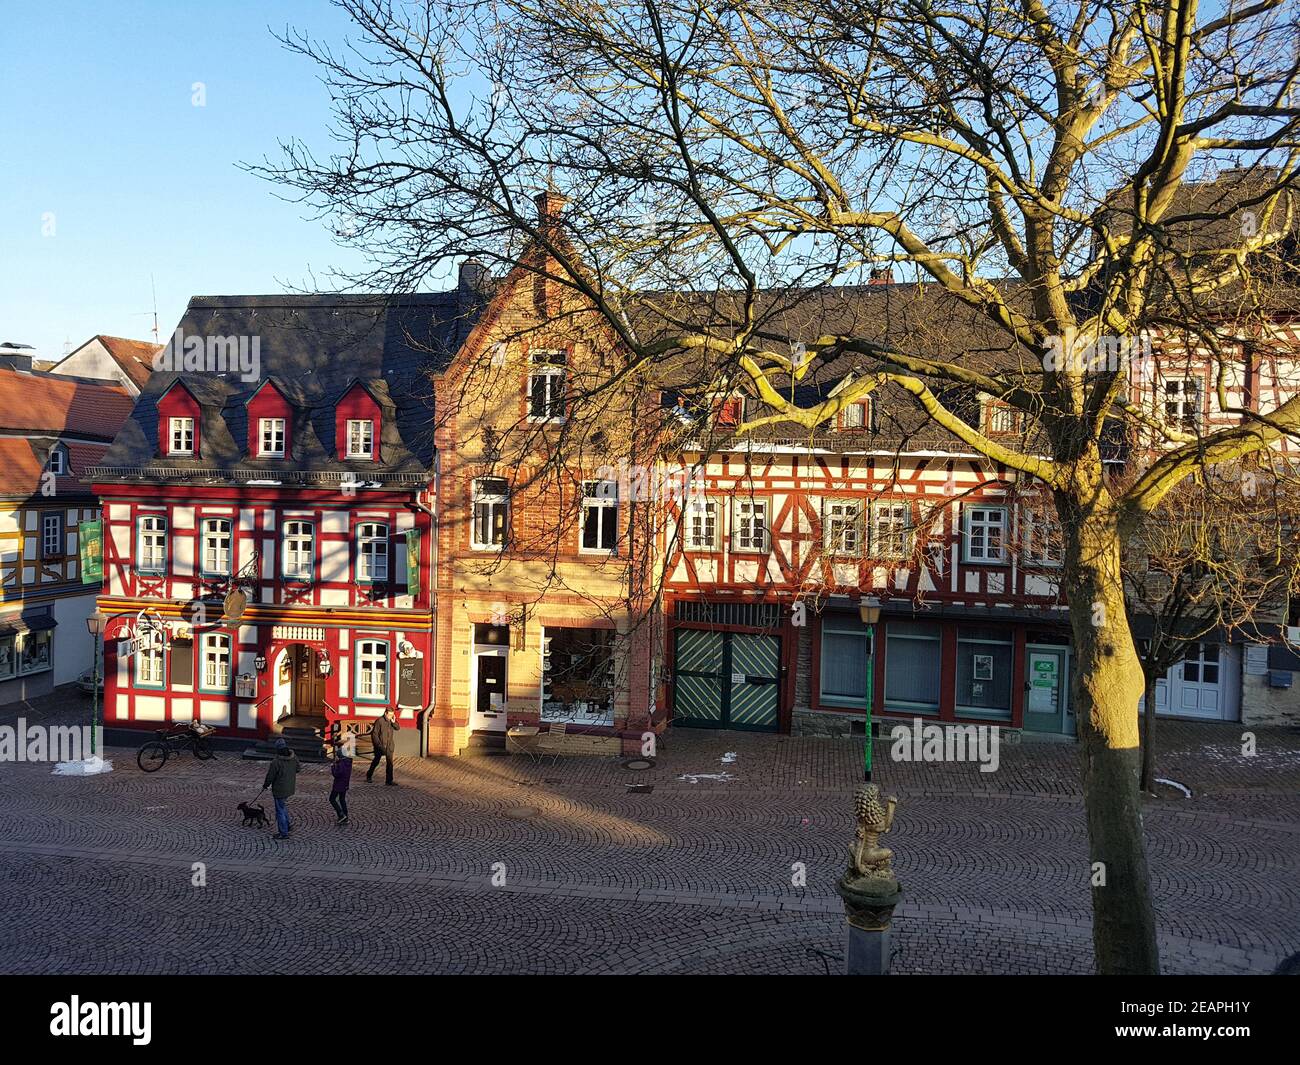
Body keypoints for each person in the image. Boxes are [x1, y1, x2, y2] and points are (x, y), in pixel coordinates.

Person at [263, 738, 299, 839]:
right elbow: (298, 769)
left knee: (279, 810)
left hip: (279, 789)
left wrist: (265, 785)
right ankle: (287, 825)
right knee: (282, 807)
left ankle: (283, 832)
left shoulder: (276, 762)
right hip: (290, 787)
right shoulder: (293, 757)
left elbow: (270, 776)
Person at [367, 708, 400, 785]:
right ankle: (369, 775)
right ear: (385, 713)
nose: (390, 716)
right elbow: (374, 734)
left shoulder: (392, 720)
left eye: (392, 715)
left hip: (389, 745)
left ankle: (389, 781)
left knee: (390, 763)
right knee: (376, 761)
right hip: (380, 745)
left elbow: (398, 728)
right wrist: (378, 745)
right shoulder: (379, 721)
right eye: (389, 715)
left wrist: (394, 722)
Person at [329, 743, 352, 825]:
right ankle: (345, 816)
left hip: (338, 785)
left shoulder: (341, 764)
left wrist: (333, 766)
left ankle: (341, 815)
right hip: (345, 784)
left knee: (332, 799)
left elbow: (336, 774)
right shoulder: (347, 763)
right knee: (342, 800)